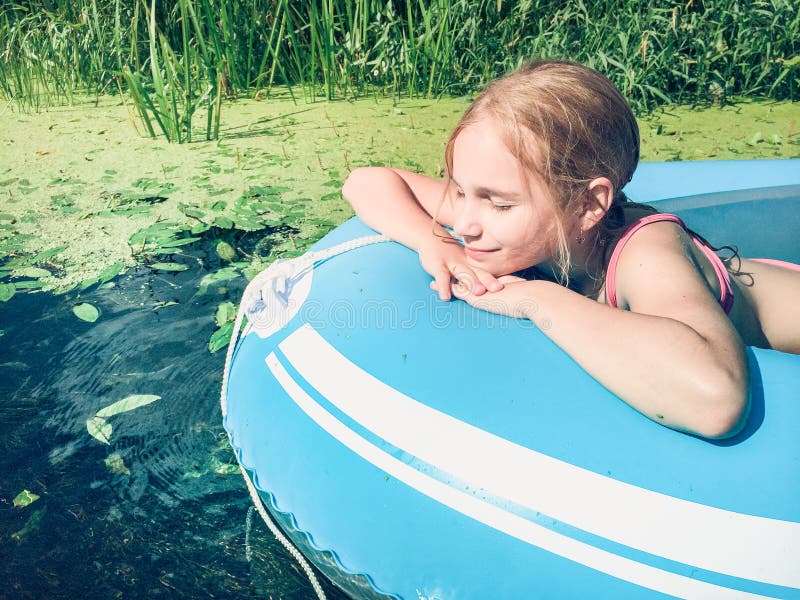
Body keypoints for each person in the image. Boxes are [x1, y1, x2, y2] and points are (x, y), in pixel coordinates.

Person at [342, 59, 800, 440]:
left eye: (499, 203)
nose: (463, 223)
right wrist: (435, 243)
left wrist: (537, 299)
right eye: (460, 192)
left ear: (587, 205)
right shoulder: (492, 217)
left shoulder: (646, 255)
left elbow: (716, 399)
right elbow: (367, 182)